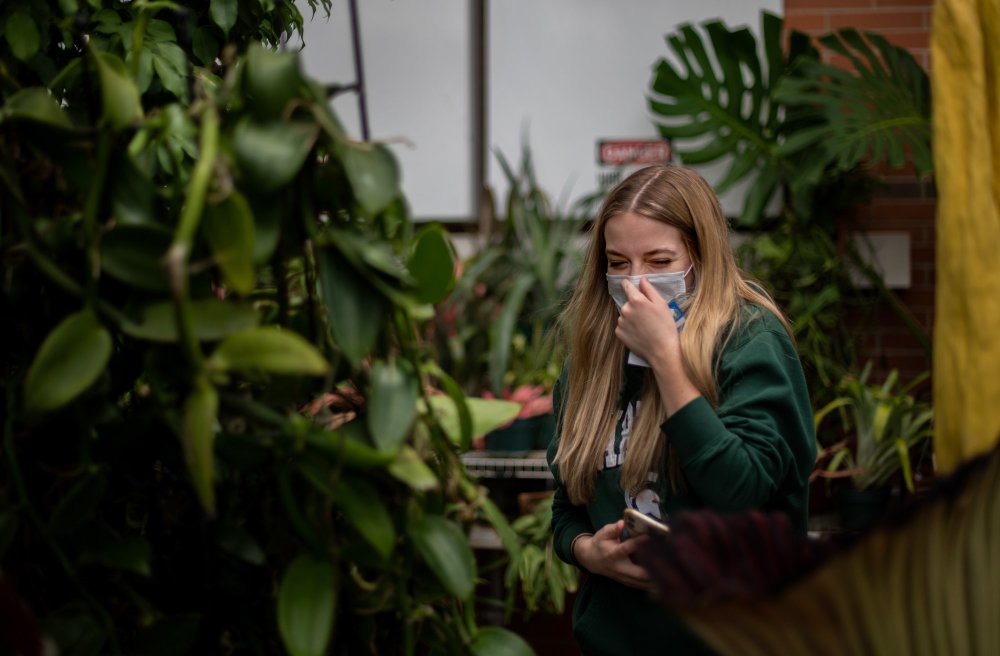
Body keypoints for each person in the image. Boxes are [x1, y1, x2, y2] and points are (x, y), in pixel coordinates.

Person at [546, 165, 816, 655]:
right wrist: (586, 552)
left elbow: (743, 490)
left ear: (700, 256)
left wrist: (666, 360)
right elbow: (567, 507)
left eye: (659, 260)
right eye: (619, 262)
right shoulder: (592, 359)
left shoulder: (749, 340)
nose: (636, 282)